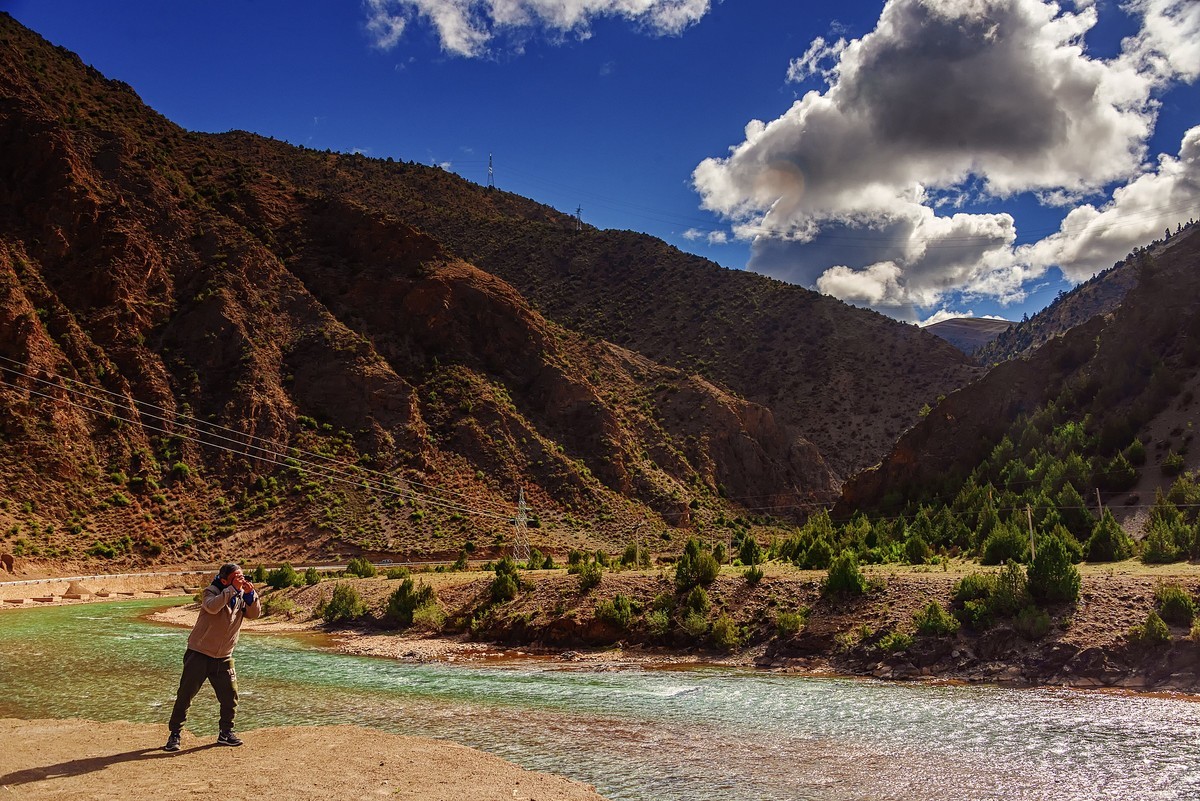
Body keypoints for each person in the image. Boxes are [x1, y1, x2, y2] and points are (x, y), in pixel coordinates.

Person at [163, 562, 261, 752]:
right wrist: (232, 590)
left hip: (224, 656)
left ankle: (226, 733)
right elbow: (212, 607)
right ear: (224, 580)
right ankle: (175, 734)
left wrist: (250, 595)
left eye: (242, 576)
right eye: (236, 577)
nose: (241, 579)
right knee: (185, 696)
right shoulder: (211, 592)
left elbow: (255, 614)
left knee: (230, 696)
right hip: (199, 653)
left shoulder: (240, 594)